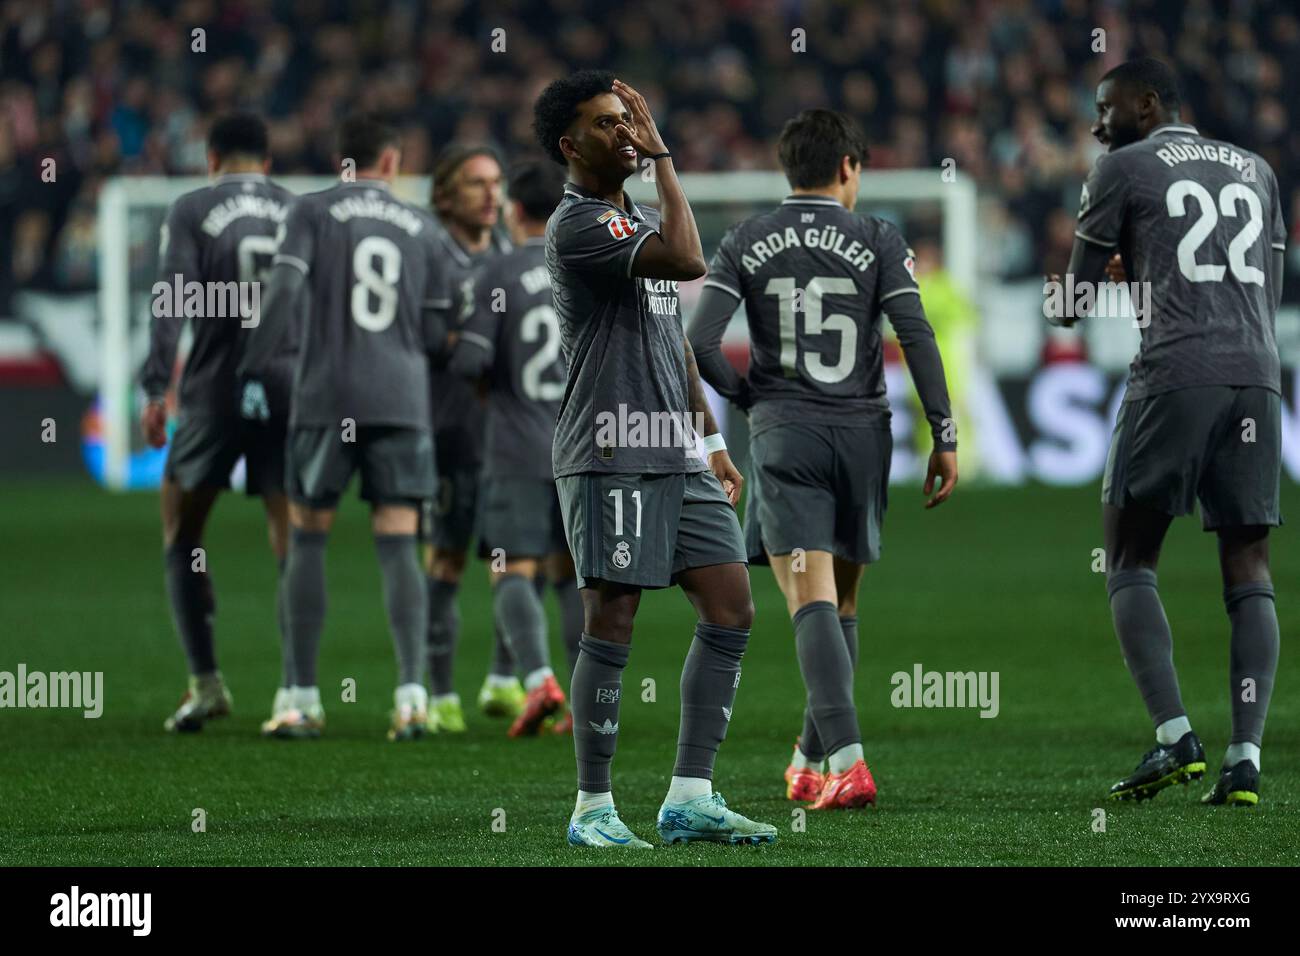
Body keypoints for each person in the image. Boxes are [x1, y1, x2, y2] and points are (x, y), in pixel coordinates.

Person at [688, 108, 958, 809]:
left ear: (788, 168)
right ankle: (810, 758)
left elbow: (702, 342)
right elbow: (917, 335)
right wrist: (945, 433)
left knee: (807, 597)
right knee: (841, 600)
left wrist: (751, 398)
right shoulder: (877, 237)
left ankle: (848, 760)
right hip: (864, 432)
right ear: (848, 167)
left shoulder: (747, 238)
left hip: (788, 433)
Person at [534, 69, 776, 848]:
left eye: (628, 120)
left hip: (673, 450)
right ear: (571, 146)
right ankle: (592, 809)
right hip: (609, 449)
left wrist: (709, 439)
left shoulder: (626, 215)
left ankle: (689, 797)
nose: (627, 134)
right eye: (609, 125)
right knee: (614, 616)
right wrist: (666, 154)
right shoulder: (579, 224)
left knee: (731, 605)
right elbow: (688, 260)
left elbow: (669, 336)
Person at [1050, 58, 1285, 806]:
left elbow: (1068, 303)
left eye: (1105, 107)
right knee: (1249, 565)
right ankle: (1244, 759)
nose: (1096, 122)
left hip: (1178, 371)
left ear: (1146, 105)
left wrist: (1104, 279)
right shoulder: (1257, 169)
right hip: (1258, 375)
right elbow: (1262, 288)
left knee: (1128, 558)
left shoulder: (1120, 167)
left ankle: (1174, 736)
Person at [238, 113, 453, 741]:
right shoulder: (424, 227)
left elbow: (280, 293)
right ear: (391, 162)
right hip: (402, 402)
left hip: (326, 398)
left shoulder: (310, 213)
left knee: (307, 536)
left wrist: (253, 367)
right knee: (399, 538)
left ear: (344, 162)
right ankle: (413, 698)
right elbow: (441, 334)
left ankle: (301, 697)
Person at [139, 112, 294, 733]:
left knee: (182, 532)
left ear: (212, 159)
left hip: (212, 392)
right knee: (293, 543)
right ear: (268, 161)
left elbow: (171, 297)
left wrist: (155, 387)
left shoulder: (192, 207)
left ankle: (205, 684)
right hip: (287, 391)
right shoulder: (297, 208)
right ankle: (298, 692)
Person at [447, 158, 579, 737]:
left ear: (514, 211)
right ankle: (583, 703)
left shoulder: (497, 274)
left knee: (511, 570)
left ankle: (537, 679)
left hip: (515, 449)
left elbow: (471, 361)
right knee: (576, 576)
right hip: (583, 450)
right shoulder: (585, 269)